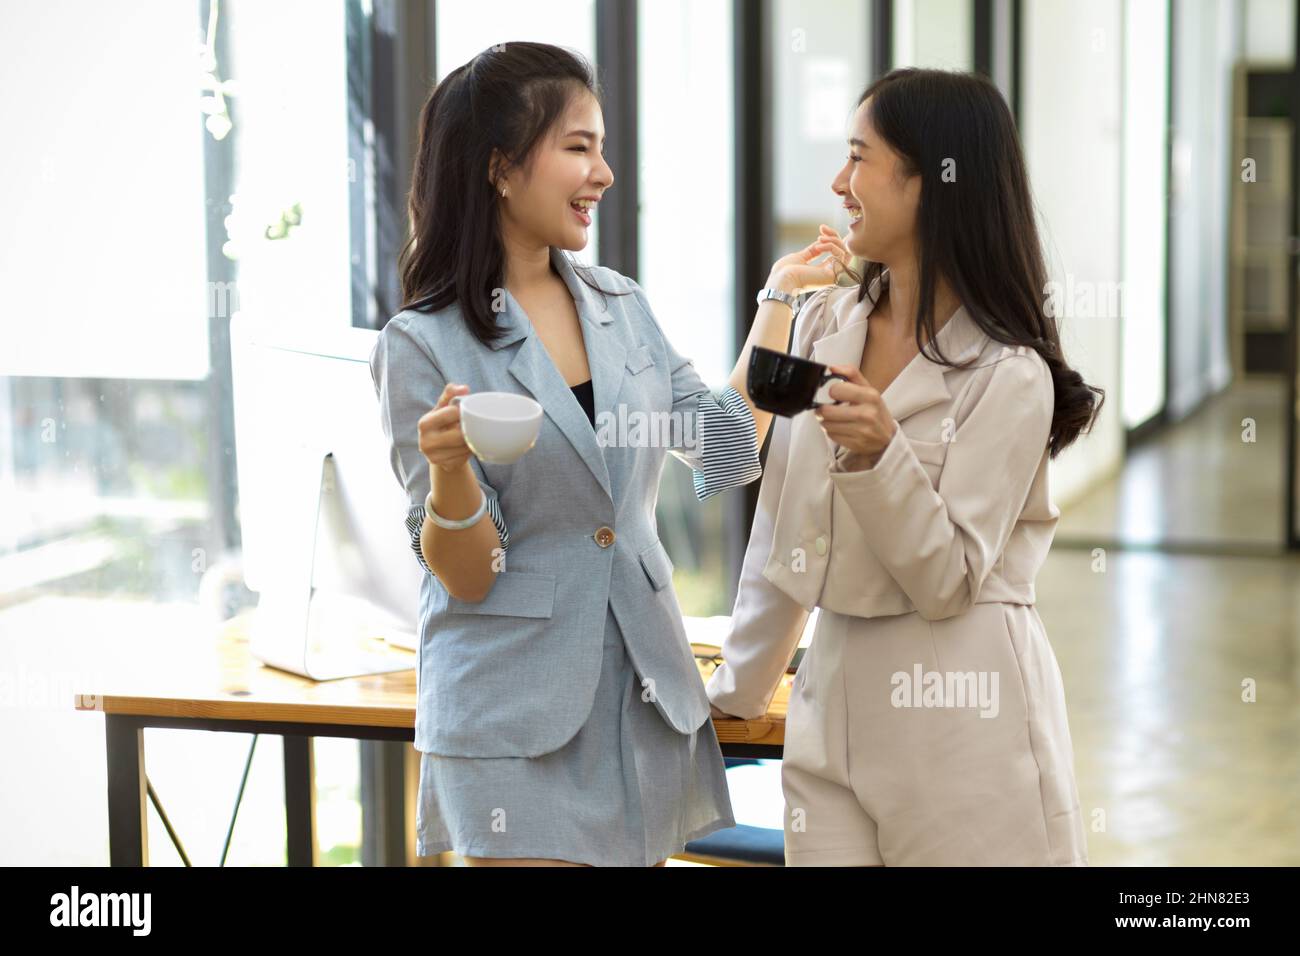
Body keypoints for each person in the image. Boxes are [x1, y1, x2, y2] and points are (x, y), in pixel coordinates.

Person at [369, 41, 843, 866]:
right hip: (511, 723)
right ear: (501, 168)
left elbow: (724, 446)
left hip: (639, 701)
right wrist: (448, 474)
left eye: (602, 148)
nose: (605, 173)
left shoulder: (620, 305)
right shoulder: (422, 344)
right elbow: (468, 574)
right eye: (579, 147)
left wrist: (778, 299)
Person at [705, 67, 1105, 866]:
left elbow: (947, 578)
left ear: (934, 181)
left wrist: (881, 455)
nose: (838, 183)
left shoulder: (1008, 374)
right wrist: (735, 694)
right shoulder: (823, 323)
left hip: (966, 725)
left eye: (859, 158)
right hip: (830, 717)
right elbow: (781, 534)